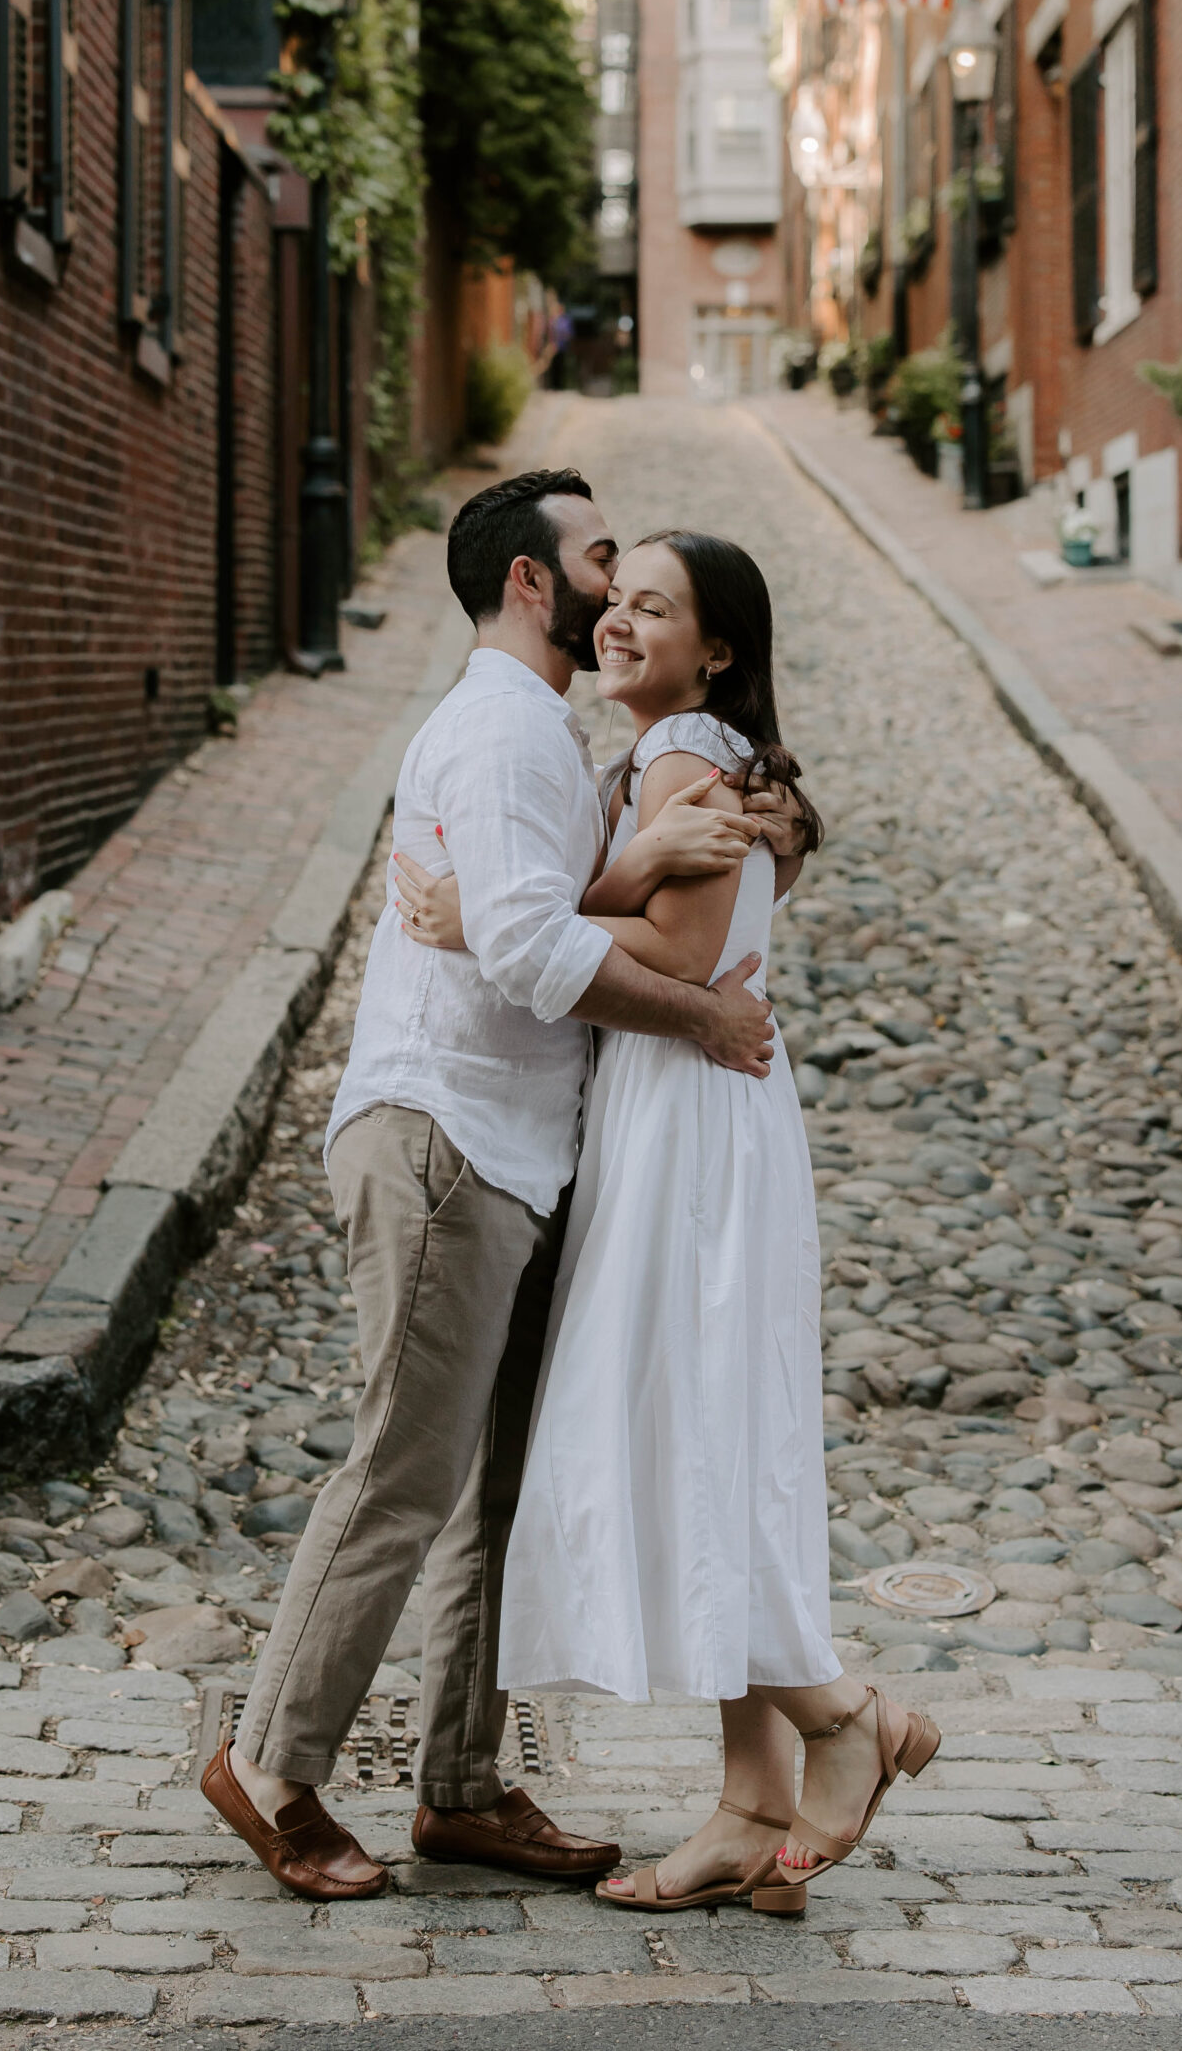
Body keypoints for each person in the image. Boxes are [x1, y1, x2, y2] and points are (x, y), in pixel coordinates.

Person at [199, 471, 803, 1904]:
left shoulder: (550, 743)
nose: (619, 584)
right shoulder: (503, 729)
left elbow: (541, 907)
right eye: (604, 559)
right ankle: (270, 1763)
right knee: (403, 1473)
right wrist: (709, 1019)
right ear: (534, 584)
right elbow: (530, 955)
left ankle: (462, 1785)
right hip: (444, 1141)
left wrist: (633, 857)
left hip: (526, 1154)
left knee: (500, 1495)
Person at [397, 529, 940, 1915]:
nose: (622, 620)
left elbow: (688, 960)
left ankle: (839, 1719)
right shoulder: (688, 762)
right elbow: (713, 915)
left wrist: (505, 910)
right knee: (713, 1434)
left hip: (688, 1114)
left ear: (719, 650)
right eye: (617, 597)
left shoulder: (680, 754)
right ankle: (748, 1812)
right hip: (695, 1111)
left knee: (685, 1436)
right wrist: (623, 861)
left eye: (656, 606)